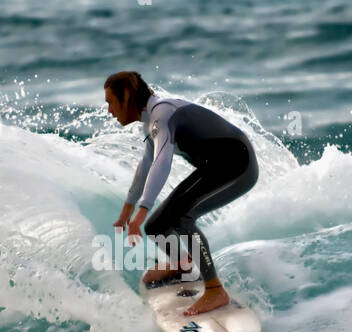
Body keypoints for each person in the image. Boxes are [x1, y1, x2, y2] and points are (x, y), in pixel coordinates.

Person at [104, 71, 258, 316]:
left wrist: (141, 211)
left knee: (182, 219)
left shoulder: (161, 115)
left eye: (111, 102)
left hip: (239, 164)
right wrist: (127, 212)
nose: (109, 110)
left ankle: (215, 290)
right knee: (156, 226)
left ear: (127, 98)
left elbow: (161, 162)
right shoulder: (150, 120)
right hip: (214, 168)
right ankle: (182, 265)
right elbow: (146, 165)